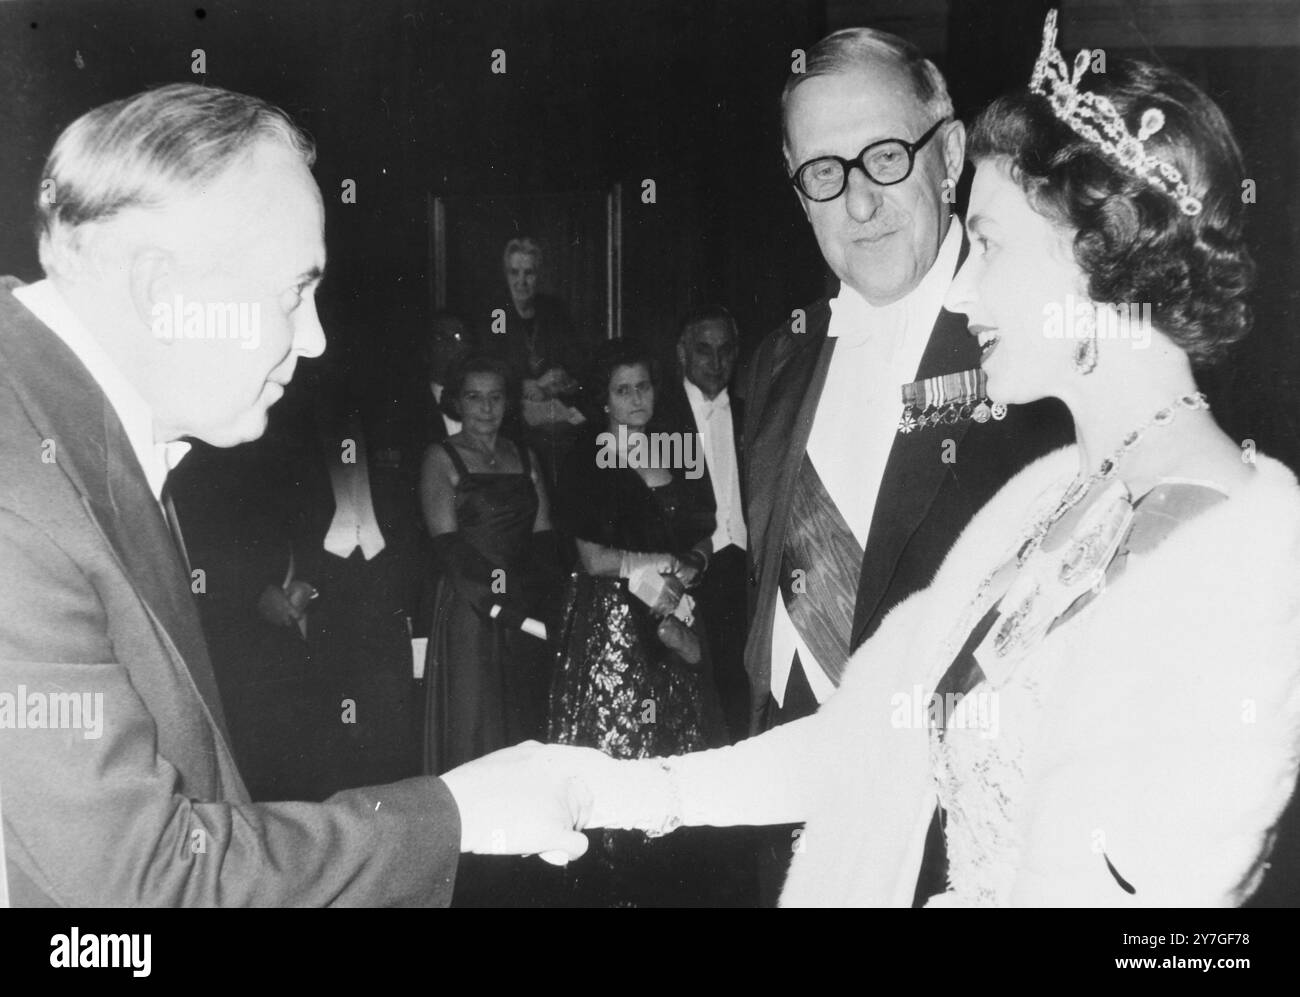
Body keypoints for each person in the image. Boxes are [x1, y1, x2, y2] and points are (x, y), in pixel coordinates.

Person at [558, 10, 1300, 907]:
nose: (969, 282)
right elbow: (872, 736)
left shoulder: (1237, 545)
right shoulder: (1041, 503)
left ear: (1098, 260)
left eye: (988, 244)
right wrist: (615, 789)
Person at [0, 83, 590, 907]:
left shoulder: (67, 421)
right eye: (292, 293)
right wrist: (461, 814)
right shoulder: (19, 505)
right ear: (158, 288)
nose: (313, 339)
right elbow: (142, 890)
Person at [742, 24, 1072, 902]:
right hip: (779, 817)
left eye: (885, 157)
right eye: (824, 173)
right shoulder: (774, 364)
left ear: (950, 152)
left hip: (944, 848)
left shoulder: (1039, 361)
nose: (858, 205)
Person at [548, 339, 724, 904]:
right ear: (603, 399)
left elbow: (705, 530)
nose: (635, 399)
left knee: (681, 747)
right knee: (622, 748)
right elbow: (592, 558)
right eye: (622, 390)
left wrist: (691, 564)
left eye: (643, 386)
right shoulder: (585, 454)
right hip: (614, 627)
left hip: (677, 612)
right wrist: (658, 566)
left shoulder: (677, 445)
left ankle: (672, 880)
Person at [419, 354, 557, 776]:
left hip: (525, 607)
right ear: (456, 402)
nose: (485, 407)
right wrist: (501, 602)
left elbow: (544, 538)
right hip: (471, 605)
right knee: (473, 722)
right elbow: (449, 547)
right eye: (474, 397)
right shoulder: (440, 457)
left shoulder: (526, 456)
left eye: (495, 397)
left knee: (522, 721)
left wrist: (542, 604)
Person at [654, 305, 750, 742]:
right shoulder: (660, 419)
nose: (716, 363)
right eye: (704, 351)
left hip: (745, 570)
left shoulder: (754, 412)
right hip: (690, 572)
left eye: (726, 351)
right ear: (682, 353)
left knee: (741, 693)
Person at [484, 237, 586, 489]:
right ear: (505, 274)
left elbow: (575, 362)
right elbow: (493, 367)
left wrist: (560, 377)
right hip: (513, 415)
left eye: (528, 272)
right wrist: (530, 384)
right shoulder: (498, 314)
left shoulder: (553, 310)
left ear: (538, 274)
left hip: (554, 408)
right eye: (514, 272)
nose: (521, 281)